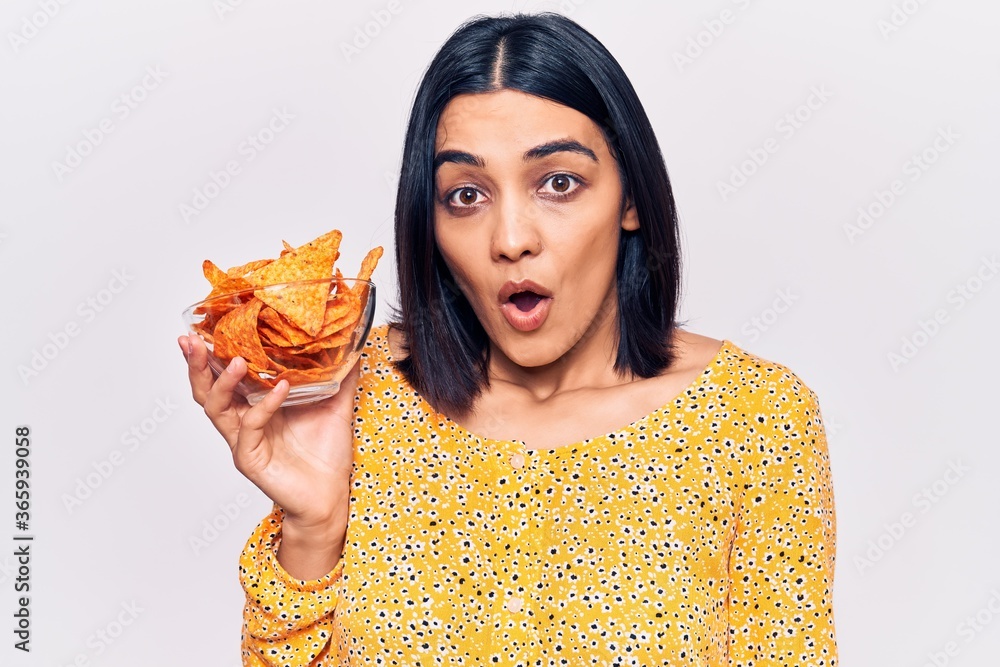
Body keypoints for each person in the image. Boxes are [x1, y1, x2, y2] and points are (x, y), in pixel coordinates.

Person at [179, 12, 838, 666]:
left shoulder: (757, 416)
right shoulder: (360, 392)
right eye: (467, 194)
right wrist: (314, 524)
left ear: (630, 197)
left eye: (558, 182)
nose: (511, 238)